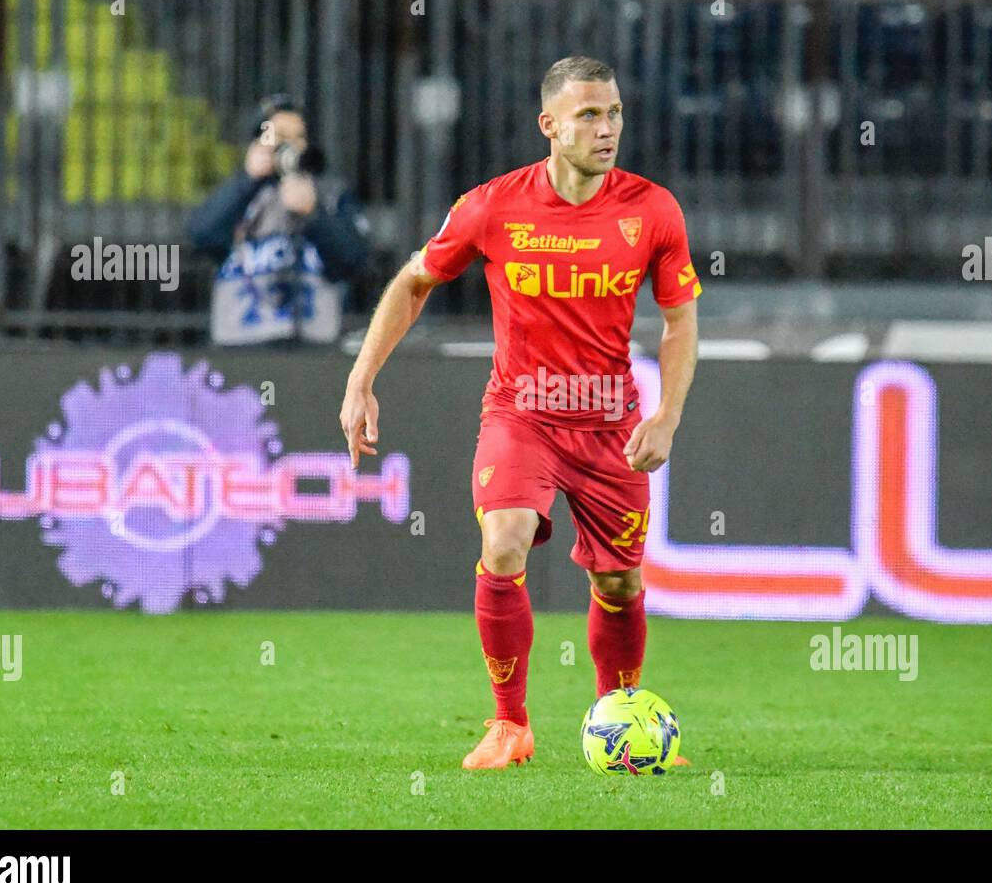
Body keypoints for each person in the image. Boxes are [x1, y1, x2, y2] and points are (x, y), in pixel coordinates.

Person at [338, 56, 701, 769]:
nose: (608, 129)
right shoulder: (492, 206)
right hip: (521, 414)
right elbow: (415, 282)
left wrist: (666, 417)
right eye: (590, 115)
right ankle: (510, 724)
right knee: (503, 545)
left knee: (619, 582)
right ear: (550, 125)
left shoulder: (652, 209)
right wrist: (361, 381)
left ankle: (619, 715)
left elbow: (680, 321)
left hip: (610, 423)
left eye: (616, 113)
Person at [187, 94, 370, 346]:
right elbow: (201, 236)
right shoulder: (238, 193)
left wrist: (314, 215)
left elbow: (354, 260)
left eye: (299, 138)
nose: (291, 146)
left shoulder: (329, 193)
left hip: (312, 345)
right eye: (280, 137)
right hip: (240, 344)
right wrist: (247, 181)